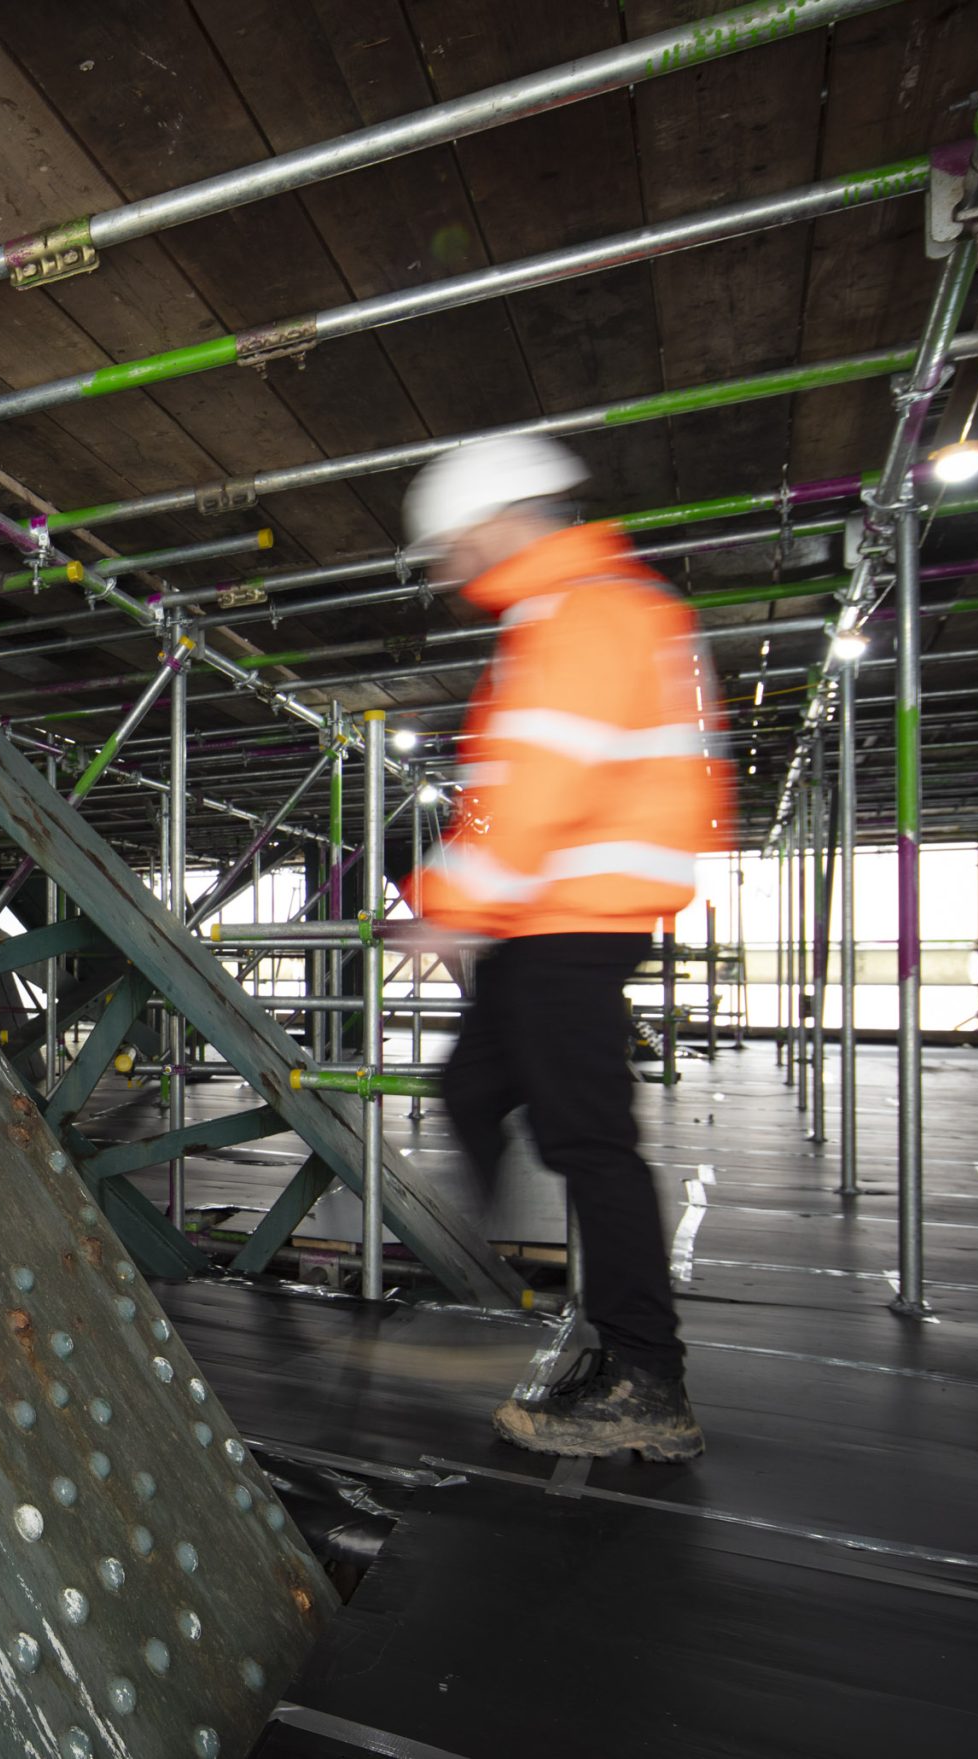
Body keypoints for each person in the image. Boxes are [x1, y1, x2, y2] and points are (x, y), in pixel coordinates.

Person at [399, 435, 734, 1463]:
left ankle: (647, 1377)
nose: (449, 570)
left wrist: (453, 900)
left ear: (495, 523)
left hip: (572, 917)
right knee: (469, 1090)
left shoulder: (587, 613)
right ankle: (492, 1281)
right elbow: (505, 799)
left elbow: (543, 787)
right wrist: (458, 888)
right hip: (540, 914)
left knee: (588, 1142)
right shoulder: (565, 614)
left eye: (451, 548)